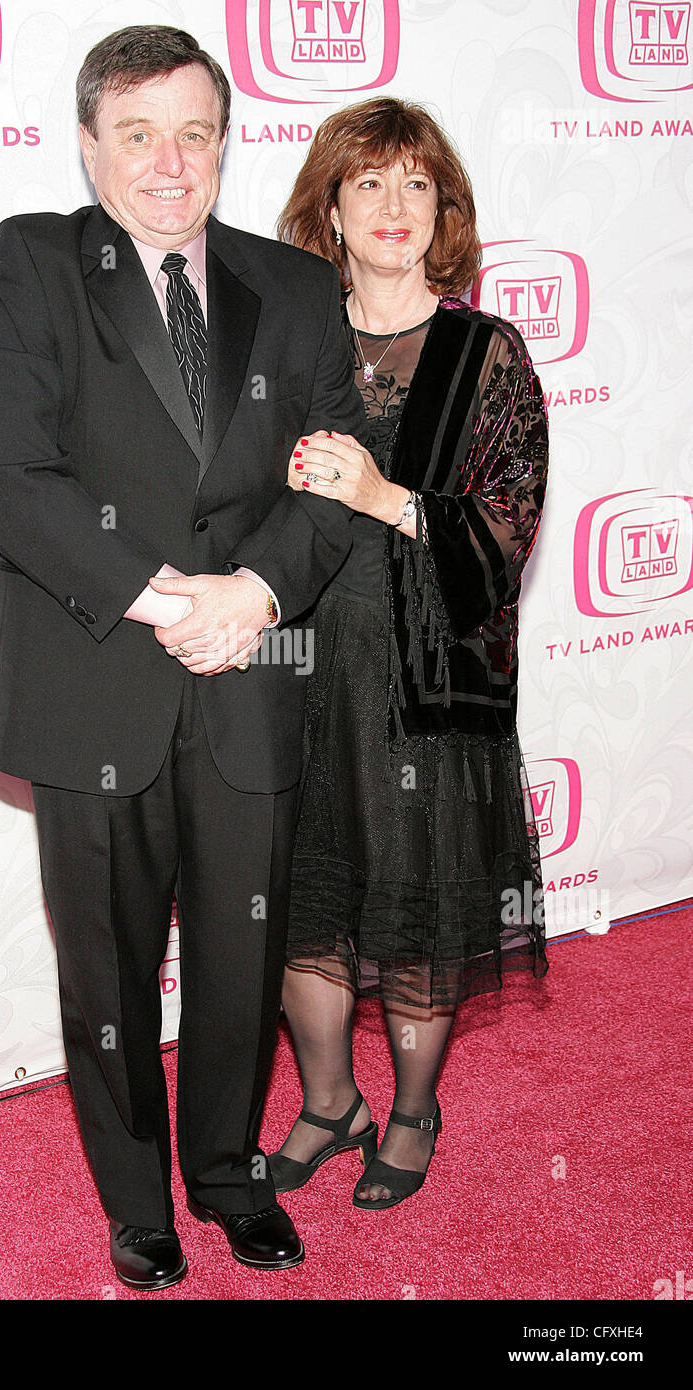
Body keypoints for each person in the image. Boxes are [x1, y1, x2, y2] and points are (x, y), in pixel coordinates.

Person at [0, 25, 367, 1289]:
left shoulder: (293, 285)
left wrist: (251, 589)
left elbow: (336, 469)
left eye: (194, 131)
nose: (169, 161)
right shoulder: (30, 262)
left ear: (226, 142)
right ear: (89, 144)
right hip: (94, 679)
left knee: (241, 957)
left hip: (250, 666)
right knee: (110, 965)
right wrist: (158, 595)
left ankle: (228, 1175)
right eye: (137, 132)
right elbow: (8, 470)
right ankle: (137, 1203)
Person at [268, 98, 549, 1209]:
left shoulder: (486, 354)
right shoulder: (290, 346)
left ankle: (413, 1108)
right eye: (367, 183)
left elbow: (505, 527)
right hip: (293, 672)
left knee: (419, 904)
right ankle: (327, 1103)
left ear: (443, 210)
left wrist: (386, 498)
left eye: (414, 184)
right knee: (304, 899)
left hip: (425, 684)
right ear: (328, 209)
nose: (392, 205)